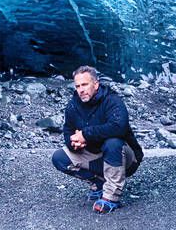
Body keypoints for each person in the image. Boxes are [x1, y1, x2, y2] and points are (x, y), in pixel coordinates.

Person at [51, 65, 143, 213]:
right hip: (96, 155)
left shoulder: (112, 100)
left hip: (125, 158)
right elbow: (67, 131)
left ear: (96, 84)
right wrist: (75, 143)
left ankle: (111, 197)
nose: (81, 89)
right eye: (78, 86)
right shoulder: (73, 105)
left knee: (112, 143)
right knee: (59, 158)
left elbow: (119, 127)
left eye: (85, 84)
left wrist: (85, 135)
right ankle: (99, 182)